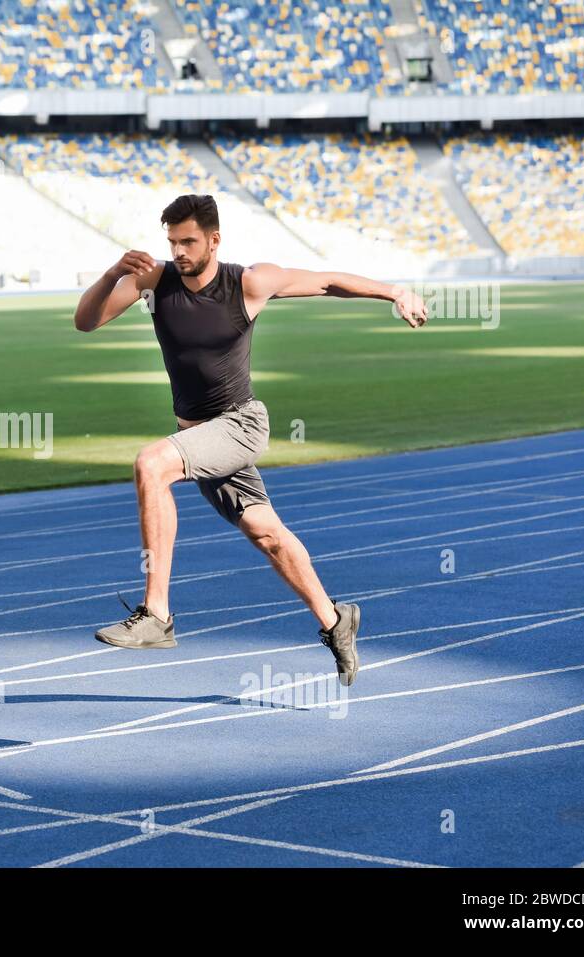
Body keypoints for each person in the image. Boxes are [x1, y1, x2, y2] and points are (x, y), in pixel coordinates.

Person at [72, 194, 428, 686]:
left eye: (189, 241)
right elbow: (86, 320)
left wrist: (395, 292)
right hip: (198, 437)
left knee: (151, 464)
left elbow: (326, 282)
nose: (178, 251)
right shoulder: (155, 280)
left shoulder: (249, 282)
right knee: (267, 535)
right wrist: (114, 272)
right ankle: (334, 619)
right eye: (172, 242)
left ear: (214, 239)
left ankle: (157, 613)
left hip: (239, 425)